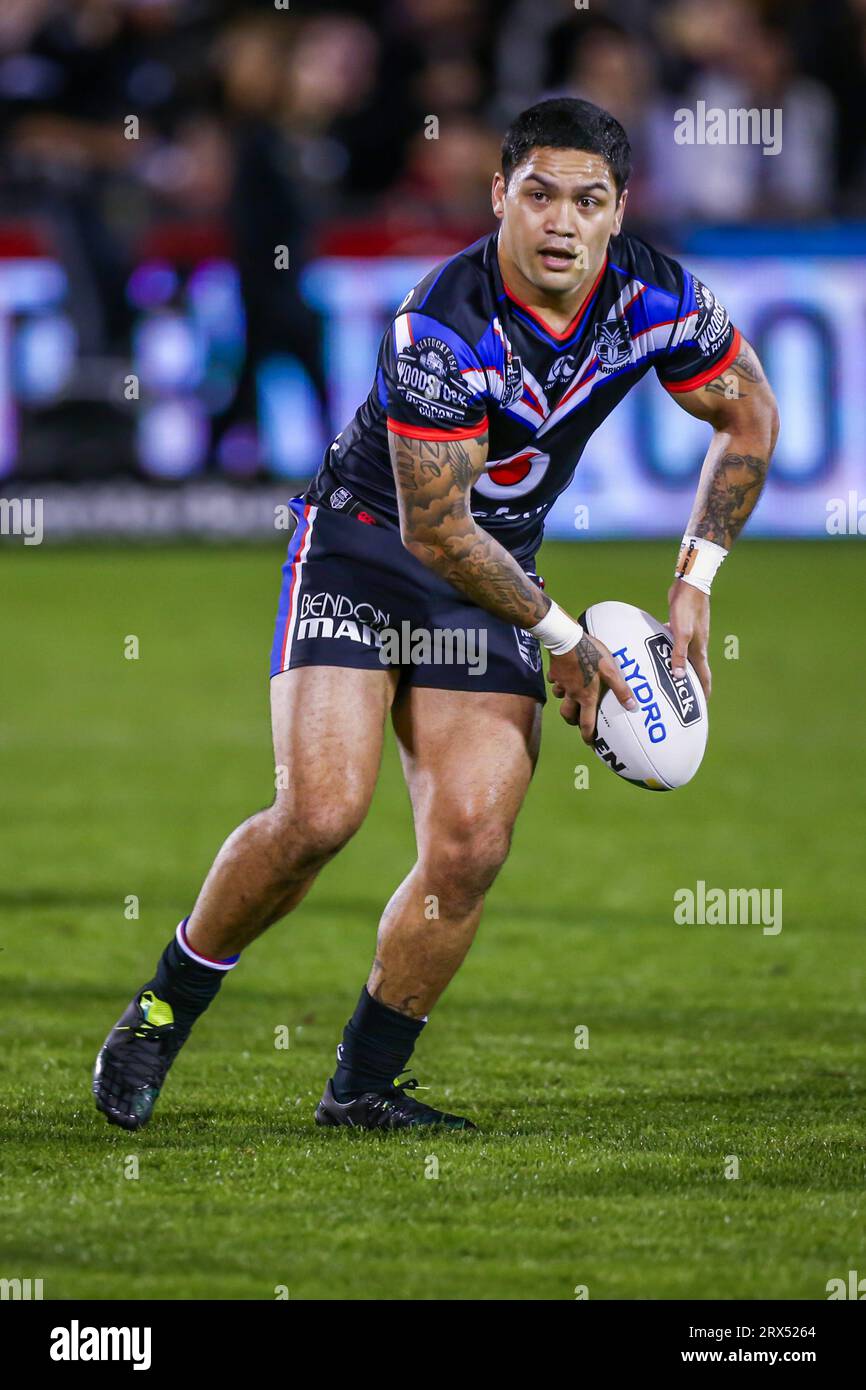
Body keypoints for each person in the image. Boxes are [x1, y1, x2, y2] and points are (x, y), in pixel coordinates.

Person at [93, 97, 779, 1132]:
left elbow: (748, 410)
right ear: (498, 193)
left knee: (470, 842)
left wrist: (693, 584)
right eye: (537, 193)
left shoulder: (656, 296)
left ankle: (361, 1085)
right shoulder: (440, 323)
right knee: (319, 813)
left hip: (496, 573)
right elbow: (435, 532)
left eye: (585, 201)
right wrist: (565, 639)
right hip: (368, 552)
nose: (559, 222)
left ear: (616, 210)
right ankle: (157, 1012)